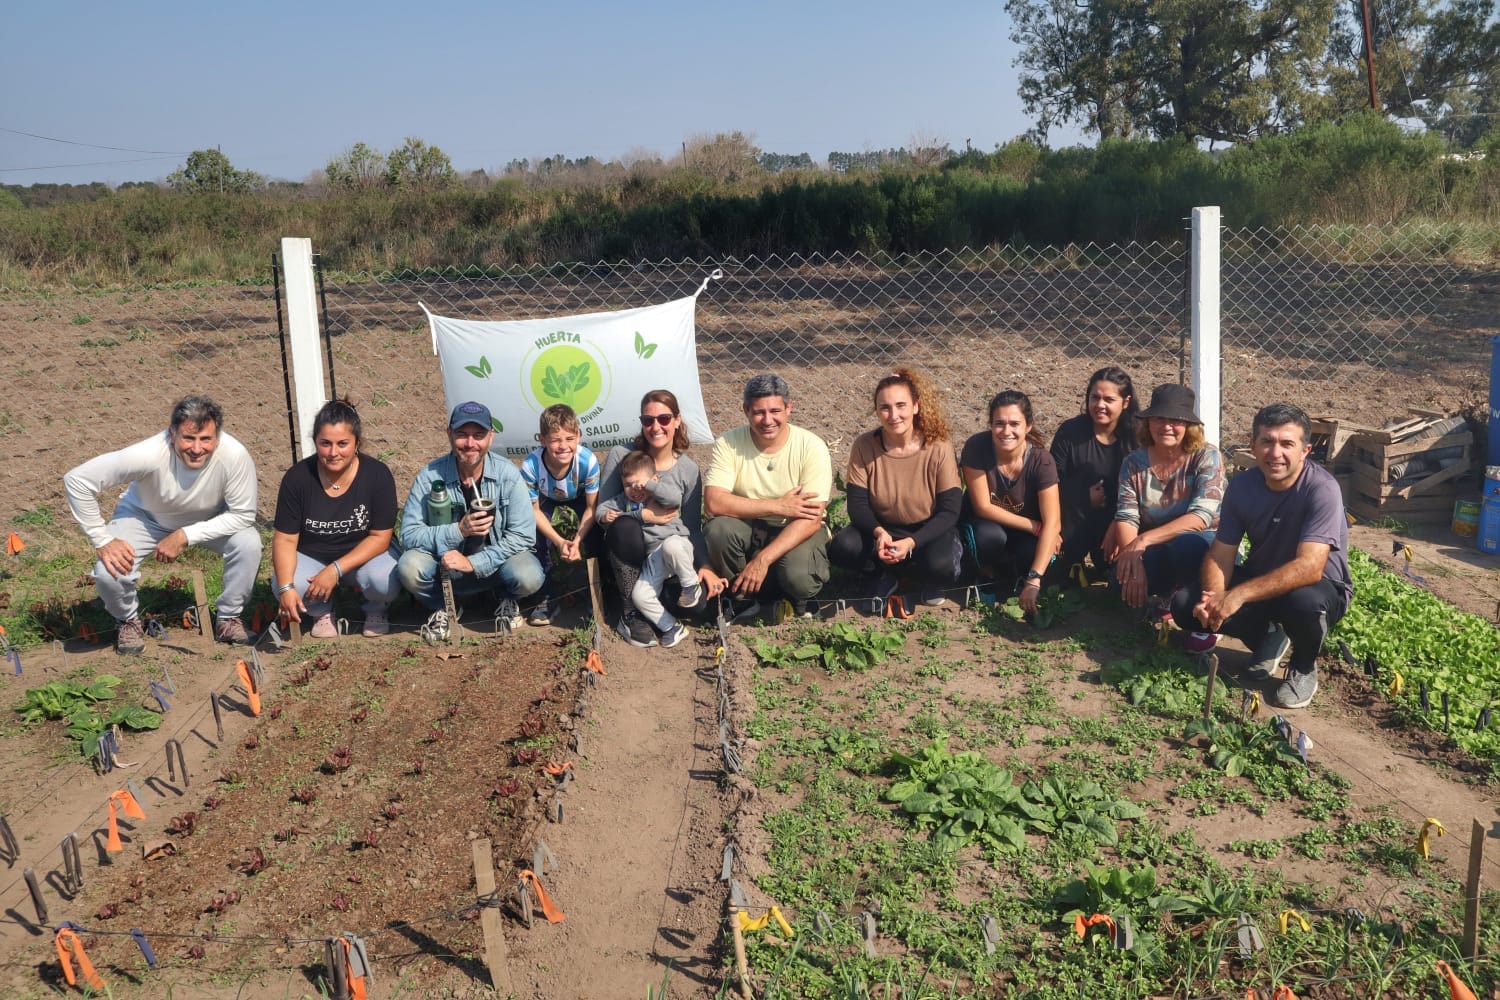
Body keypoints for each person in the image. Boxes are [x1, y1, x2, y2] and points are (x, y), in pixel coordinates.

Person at [1178, 402, 1352, 710]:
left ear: (1305, 450)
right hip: (1264, 581)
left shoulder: (1321, 489)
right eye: (1267, 442)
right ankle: (1266, 638)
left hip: (1320, 588)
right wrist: (1216, 598)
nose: (1275, 453)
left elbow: (1310, 567)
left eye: (1287, 444)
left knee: (1304, 603)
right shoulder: (1243, 486)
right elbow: (1221, 553)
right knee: (1184, 605)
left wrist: (1238, 596)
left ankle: (1302, 666)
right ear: (1253, 445)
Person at [63, 395, 260, 654]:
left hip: (210, 518)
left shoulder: (234, 455)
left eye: (206, 439)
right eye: (188, 438)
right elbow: (77, 480)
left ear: (217, 437)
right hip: (144, 518)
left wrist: (185, 535)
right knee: (108, 571)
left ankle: (229, 618)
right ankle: (128, 620)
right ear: (172, 434)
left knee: (249, 544)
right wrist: (103, 540)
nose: (197, 448)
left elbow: (243, 515)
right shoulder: (149, 453)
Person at [396, 401, 543, 636]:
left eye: (479, 435)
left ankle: (503, 598)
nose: (470, 443)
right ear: (449, 434)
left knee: (529, 576)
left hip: (496, 566)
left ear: (491, 437)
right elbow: (409, 535)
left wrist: (474, 563)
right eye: (462, 434)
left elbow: (523, 537)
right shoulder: (429, 477)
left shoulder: (508, 476)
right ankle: (444, 606)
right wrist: (458, 531)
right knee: (409, 566)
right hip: (445, 568)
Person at [598, 389, 726, 648]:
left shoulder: (688, 470)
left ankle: (664, 612)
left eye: (664, 419)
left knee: (697, 606)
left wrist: (706, 566)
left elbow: (691, 527)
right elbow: (604, 509)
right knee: (625, 526)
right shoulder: (622, 456)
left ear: (677, 420)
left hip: (667, 553)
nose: (656, 426)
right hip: (630, 548)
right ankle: (629, 610)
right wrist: (641, 514)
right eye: (648, 420)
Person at [829, 368, 962, 607]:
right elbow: (857, 505)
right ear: (877, 411)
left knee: (942, 566)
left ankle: (918, 574)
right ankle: (880, 571)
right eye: (885, 408)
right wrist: (879, 533)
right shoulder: (864, 446)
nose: (893, 415)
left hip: (927, 528)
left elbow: (950, 510)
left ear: (916, 407)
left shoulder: (939, 446)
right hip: (884, 529)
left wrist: (912, 542)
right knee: (842, 548)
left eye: (901, 406)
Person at [704, 374, 832, 619]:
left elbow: (811, 517)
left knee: (799, 577)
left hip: (796, 528)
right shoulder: (728, 443)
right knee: (719, 529)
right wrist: (779, 506)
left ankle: (796, 595)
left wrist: (762, 559)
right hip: (749, 528)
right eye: (758, 412)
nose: (767, 420)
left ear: (789, 408)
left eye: (775, 411)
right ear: (746, 410)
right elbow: (714, 502)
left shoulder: (811, 446)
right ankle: (741, 599)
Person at [270, 398, 400, 638]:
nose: (333, 452)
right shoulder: (297, 478)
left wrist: (335, 570)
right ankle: (320, 611)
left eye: (342, 444)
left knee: (384, 579)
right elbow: (285, 540)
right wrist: (286, 587)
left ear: (357, 443)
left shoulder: (377, 475)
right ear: (315, 442)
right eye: (325, 443)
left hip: (364, 557)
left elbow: (381, 537)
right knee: (288, 582)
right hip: (313, 558)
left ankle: (376, 609)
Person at [1110, 384, 1225, 649]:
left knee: (1186, 546)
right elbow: (1126, 515)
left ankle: (1204, 607)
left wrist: (1142, 541)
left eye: (1176, 420)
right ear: (1148, 423)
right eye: (1159, 418)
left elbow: (1201, 517)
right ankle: (1166, 596)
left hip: (1206, 546)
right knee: (1120, 580)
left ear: (1189, 426)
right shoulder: (1133, 463)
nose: (1167, 426)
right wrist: (1134, 558)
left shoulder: (1206, 456)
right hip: (1157, 545)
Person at [959, 390, 1062, 615]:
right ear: (990, 425)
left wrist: (1035, 579)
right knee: (990, 538)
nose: (1006, 431)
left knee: (1040, 547)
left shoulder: (1041, 461)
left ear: (1028, 426)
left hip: (1023, 534)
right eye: (999, 423)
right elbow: (982, 507)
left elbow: (1053, 523)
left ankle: (1022, 579)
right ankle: (984, 576)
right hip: (986, 524)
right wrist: (1034, 526)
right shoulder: (977, 447)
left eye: (1014, 423)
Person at [597, 451, 701, 648]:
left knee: (671, 545)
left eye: (640, 484)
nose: (635, 489)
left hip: (678, 546)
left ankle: (690, 585)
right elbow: (602, 508)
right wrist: (604, 516)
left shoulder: (661, 493)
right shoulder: (623, 501)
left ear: (654, 479)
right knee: (640, 595)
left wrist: (651, 486)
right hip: (655, 556)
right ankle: (671, 627)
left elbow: (674, 499)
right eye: (628, 485)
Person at [1050, 367, 1139, 582]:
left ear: (1125, 402)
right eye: (1095, 397)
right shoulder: (1070, 432)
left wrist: (1118, 524)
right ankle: (1071, 561)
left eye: (1109, 399)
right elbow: (1051, 483)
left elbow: (1144, 492)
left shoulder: (1137, 437)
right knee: (1061, 578)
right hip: (1074, 515)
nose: (1100, 405)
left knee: (1114, 573)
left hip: (1121, 518)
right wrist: (1082, 496)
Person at [520, 404, 600, 626]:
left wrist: (577, 540)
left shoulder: (588, 461)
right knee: (538, 538)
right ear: (542, 440)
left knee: (595, 535)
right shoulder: (530, 466)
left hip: (579, 499)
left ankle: (591, 593)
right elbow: (533, 510)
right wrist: (557, 541)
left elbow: (592, 507)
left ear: (579, 437)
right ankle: (547, 596)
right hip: (546, 502)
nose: (563, 446)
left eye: (569, 438)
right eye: (555, 440)